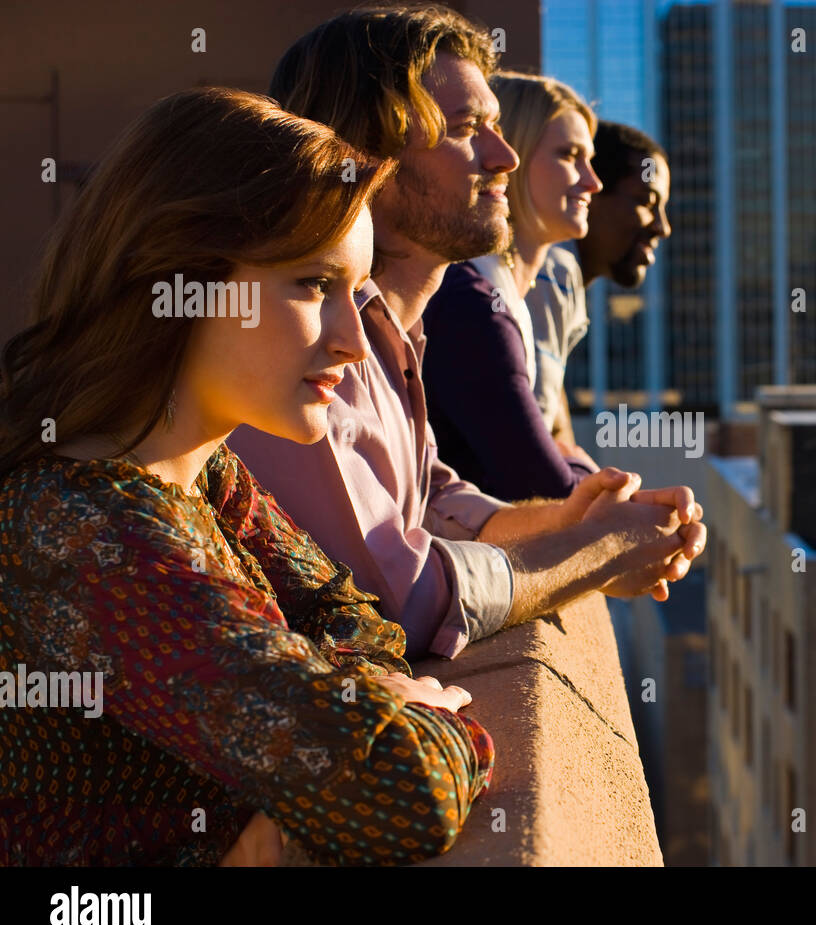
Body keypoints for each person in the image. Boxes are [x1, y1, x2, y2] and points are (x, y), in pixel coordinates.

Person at [0, 87, 492, 866]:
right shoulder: (81, 529)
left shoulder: (204, 470)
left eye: (354, 295)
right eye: (310, 285)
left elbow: (352, 614)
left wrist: (356, 701)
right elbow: (402, 789)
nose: (353, 344)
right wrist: (398, 717)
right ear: (177, 276)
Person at [228, 5, 707, 664]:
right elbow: (406, 601)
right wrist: (593, 553)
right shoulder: (300, 341)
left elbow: (433, 497)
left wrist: (575, 524)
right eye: (466, 129)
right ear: (368, 158)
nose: (503, 156)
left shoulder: (401, 327)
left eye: (497, 127)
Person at [422, 71, 603, 501]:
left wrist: (571, 457)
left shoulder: (511, 295)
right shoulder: (471, 305)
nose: (592, 181)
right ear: (513, 157)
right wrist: (581, 466)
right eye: (569, 155)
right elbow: (546, 490)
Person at [526, 120, 673, 454]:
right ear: (589, 192)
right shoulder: (549, 273)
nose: (663, 227)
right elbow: (530, 453)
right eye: (647, 201)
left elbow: (554, 438)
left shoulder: (561, 281)